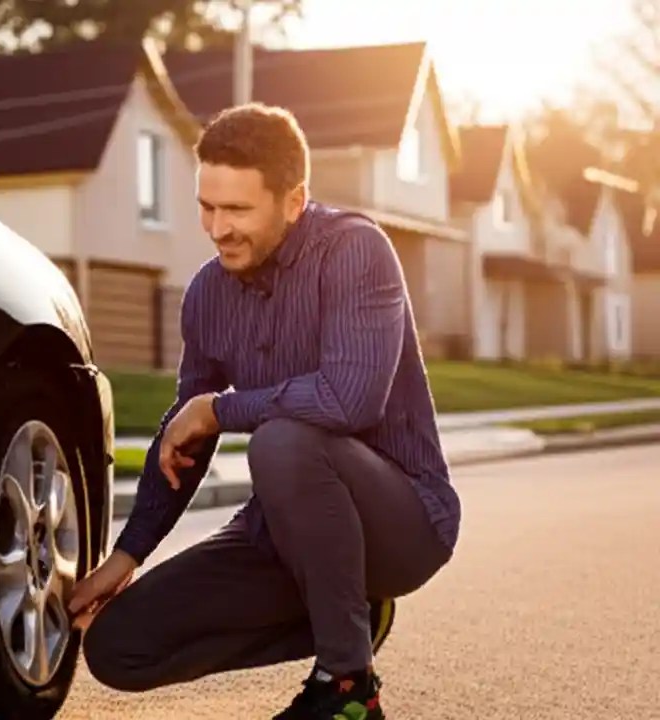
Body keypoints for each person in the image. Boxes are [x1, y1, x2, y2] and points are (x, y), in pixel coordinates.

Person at [68, 103, 462, 720]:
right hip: (286, 534)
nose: (218, 228)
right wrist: (125, 557)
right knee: (118, 648)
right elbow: (184, 435)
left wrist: (220, 410)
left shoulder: (356, 252)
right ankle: (349, 614)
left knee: (281, 440)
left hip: (403, 522)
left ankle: (346, 688)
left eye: (238, 210)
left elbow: (348, 400)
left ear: (294, 199)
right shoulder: (206, 293)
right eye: (207, 206)